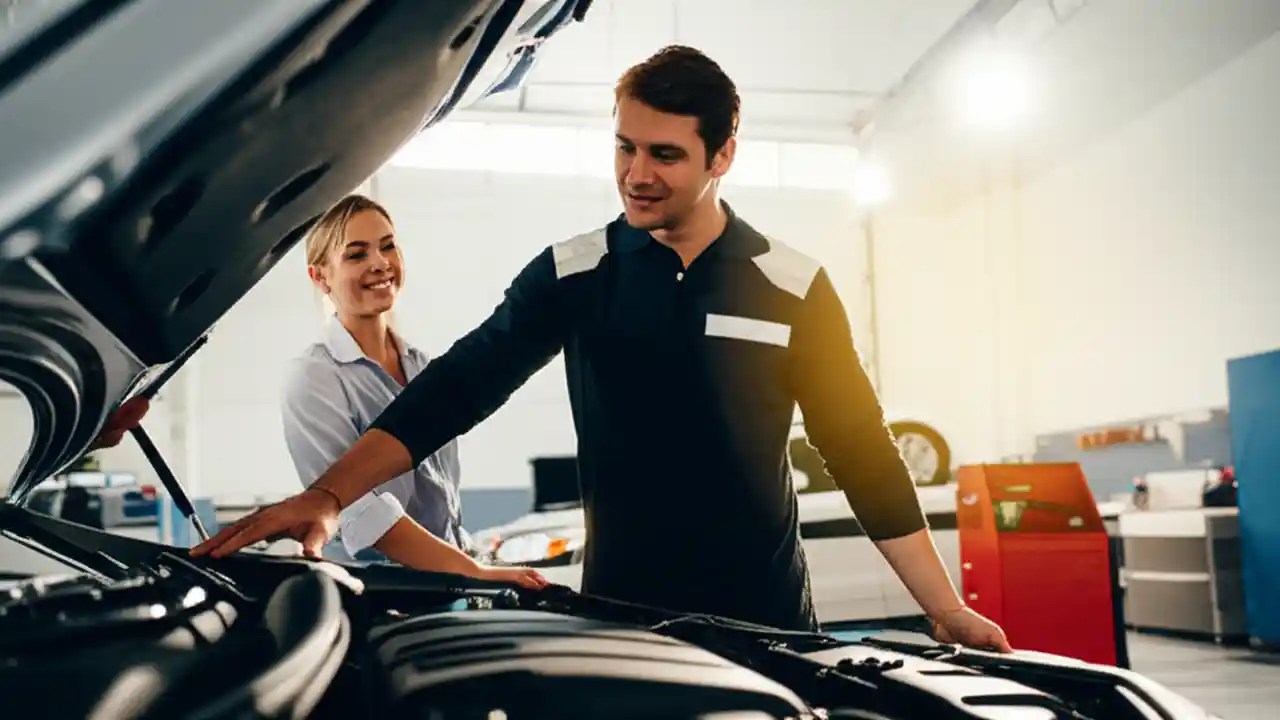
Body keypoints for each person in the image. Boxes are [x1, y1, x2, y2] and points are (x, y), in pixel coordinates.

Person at [194, 46, 1010, 651]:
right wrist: (331, 495)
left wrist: (942, 607)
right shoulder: (574, 274)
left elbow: (863, 453)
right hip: (624, 622)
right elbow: (460, 387)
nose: (636, 174)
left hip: (769, 624)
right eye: (624, 147)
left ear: (722, 156)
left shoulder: (791, 286)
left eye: (664, 154)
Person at [276, 193, 546, 590]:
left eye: (387, 246)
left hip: (449, 581)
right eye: (356, 255)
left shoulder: (423, 366)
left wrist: (472, 565)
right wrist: (473, 573)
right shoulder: (314, 377)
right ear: (320, 277)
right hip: (378, 594)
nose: (379, 263)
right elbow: (360, 511)